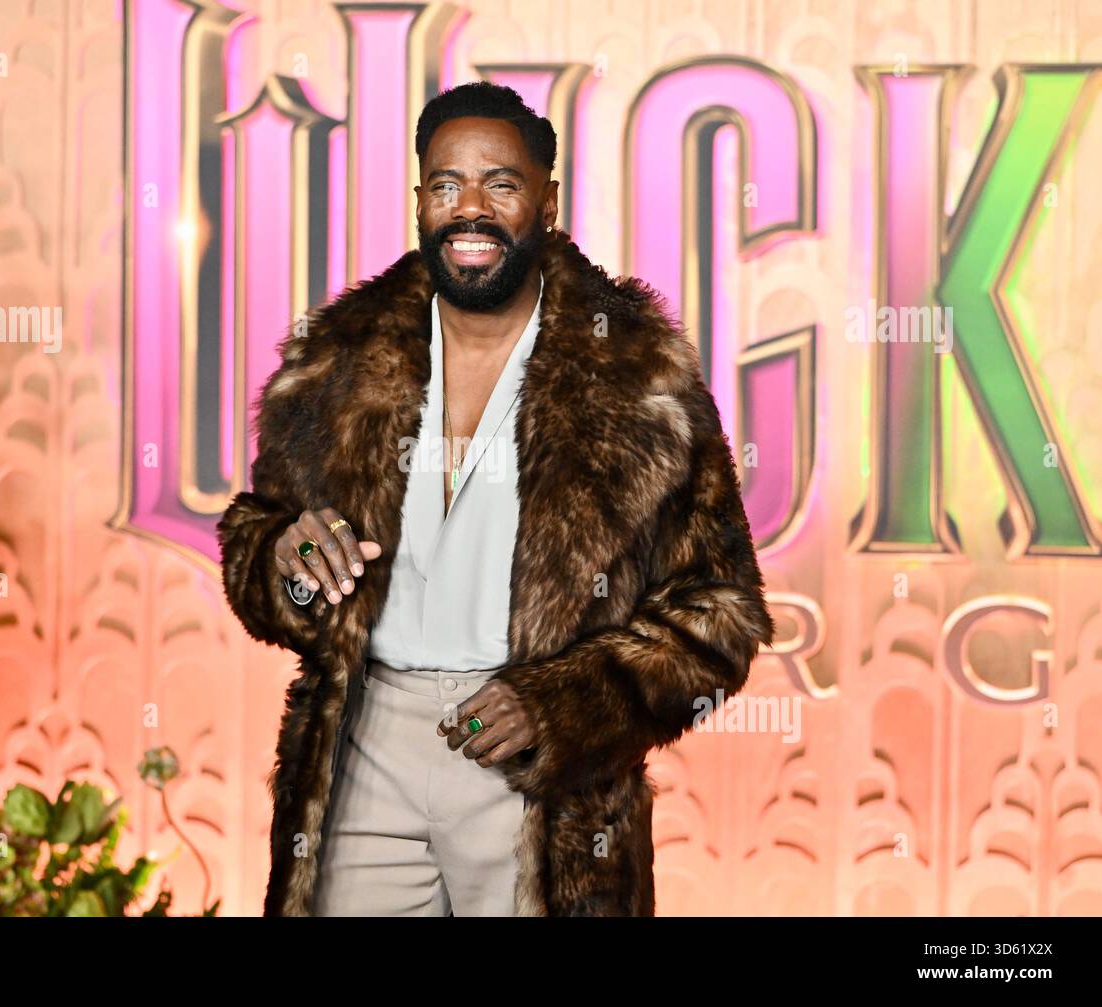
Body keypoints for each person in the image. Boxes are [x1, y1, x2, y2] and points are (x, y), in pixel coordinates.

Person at [217, 81, 775, 916]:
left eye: (500, 185)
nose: (468, 209)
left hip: (540, 772)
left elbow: (721, 612)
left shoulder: (636, 374)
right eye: (446, 185)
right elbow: (258, 541)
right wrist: (287, 564)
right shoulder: (335, 361)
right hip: (366, 744)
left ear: (547, 203)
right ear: (418, 202)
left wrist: (567, 705)